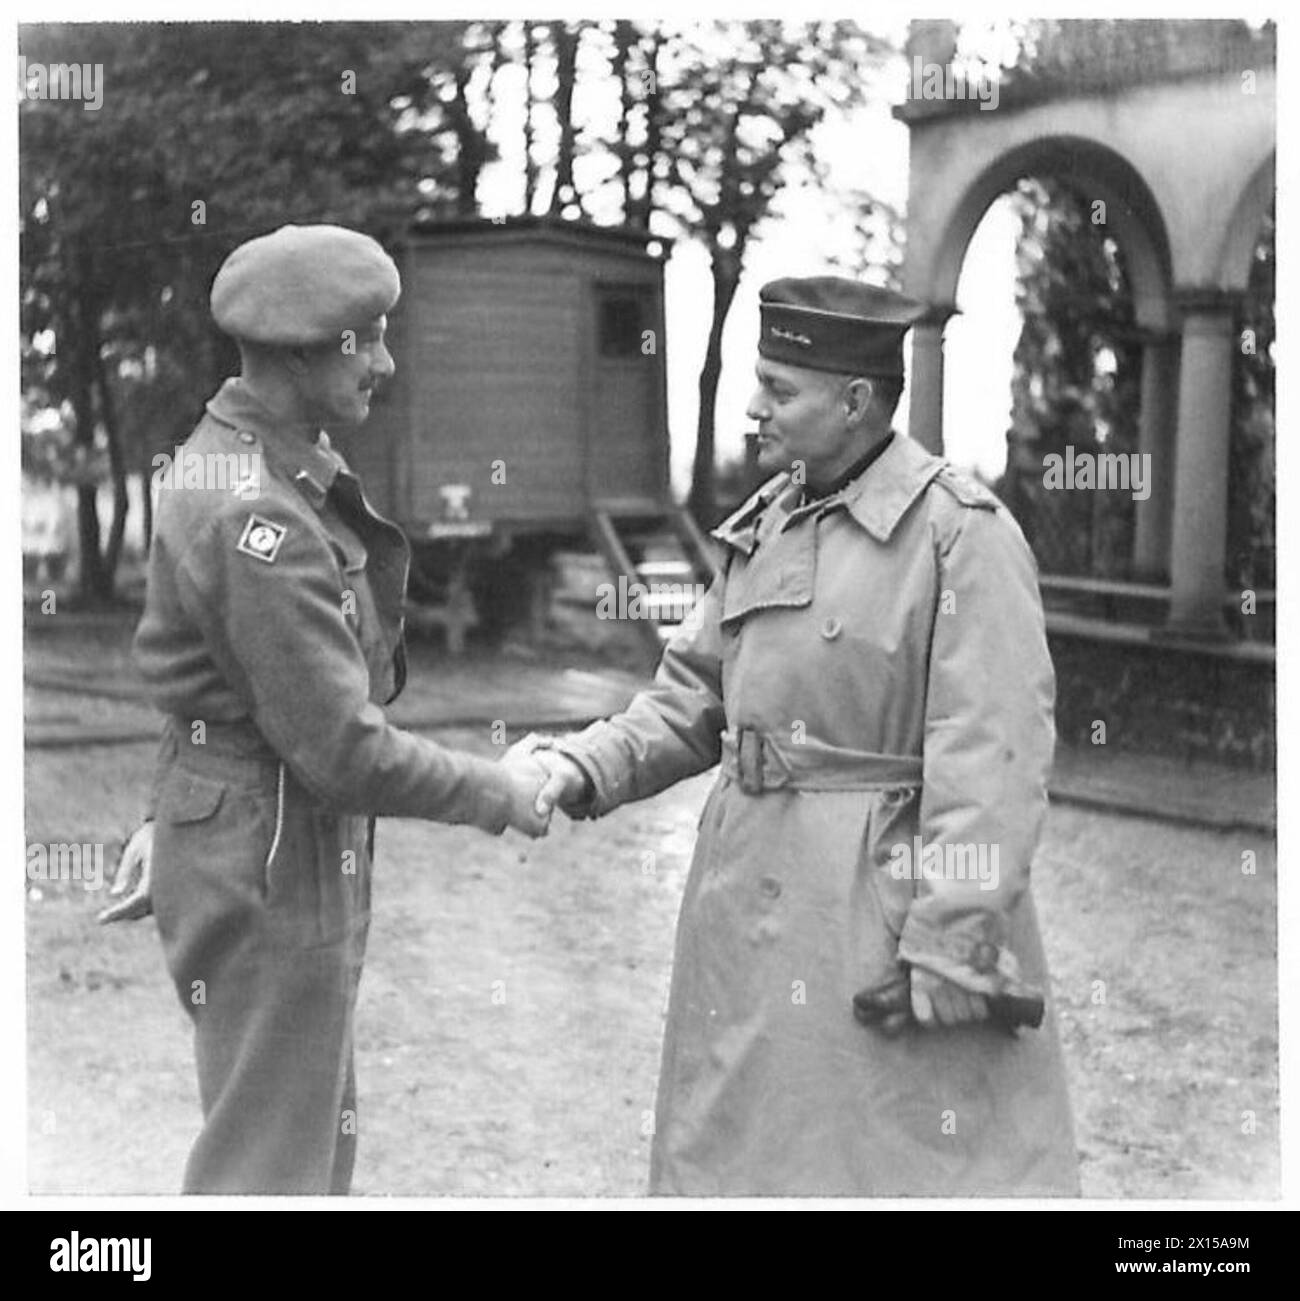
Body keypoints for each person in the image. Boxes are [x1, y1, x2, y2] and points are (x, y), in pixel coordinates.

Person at [516, 276, 1080, 1196]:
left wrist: (953, 941)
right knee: (743, 1155)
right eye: (757, 382)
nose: (752, 409)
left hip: (874, 915)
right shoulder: (767, 525)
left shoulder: (959, 536)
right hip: (746, 905)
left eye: (779, 389)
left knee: (882, 1160)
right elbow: (691, 697)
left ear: (856, 401)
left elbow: (995, 758)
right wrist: (582, 766)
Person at [101, 224, 551, 1194]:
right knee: (270, 1165)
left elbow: (205, 673)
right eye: (365, 339)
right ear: (297, 348)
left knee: (298, 1139)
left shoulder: (250, 462)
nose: (384, 363)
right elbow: (342, 749)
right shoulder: (253, 511)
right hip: (275, 850)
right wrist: (499, 789)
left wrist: (166, 810)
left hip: (259, 832)